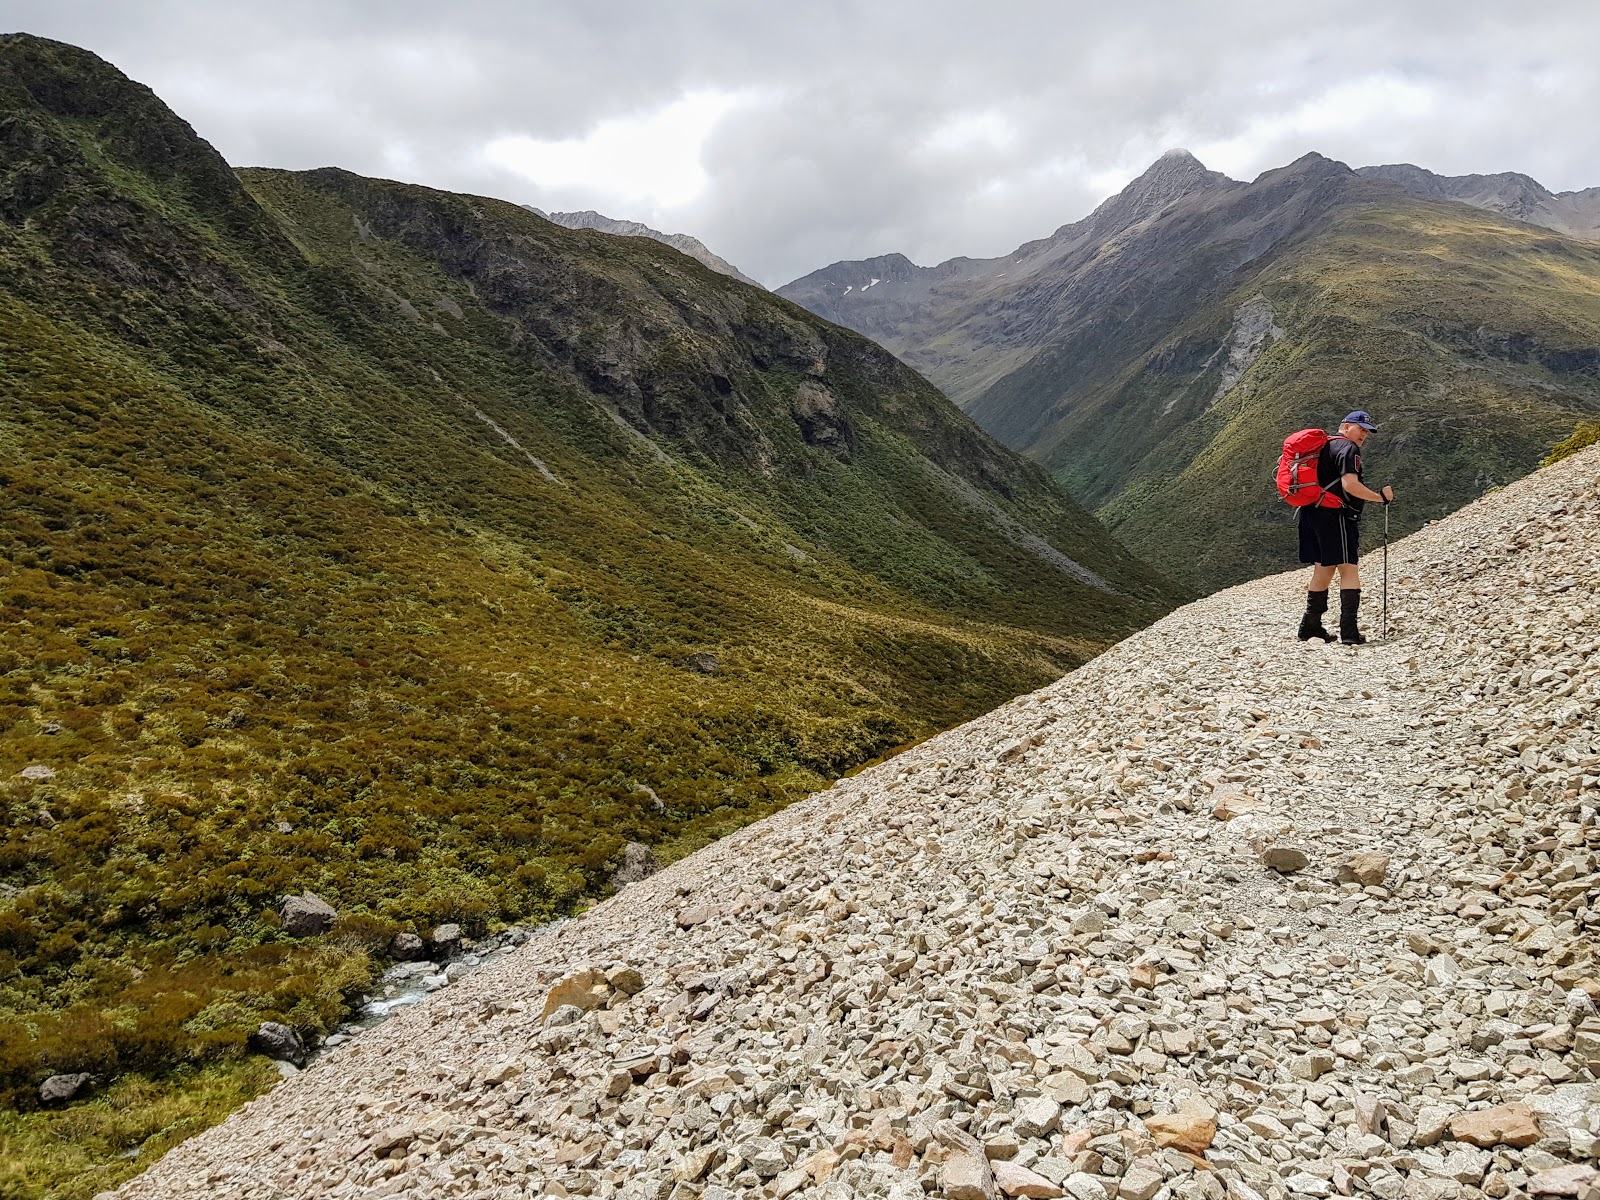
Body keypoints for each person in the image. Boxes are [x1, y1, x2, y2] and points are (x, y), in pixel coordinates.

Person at [1296, 410, 1394, 645]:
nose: (1364, 435)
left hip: (1309, 512)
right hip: (1334, 515)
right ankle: (1349, 632)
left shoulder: (1322, 447)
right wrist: (1380, 497)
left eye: (1367, 431)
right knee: (1348, 568)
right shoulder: (1348, 449)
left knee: (1323, 568)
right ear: (1346, 426)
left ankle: (1310, 626)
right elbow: (1350, 485)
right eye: (1360, 428)